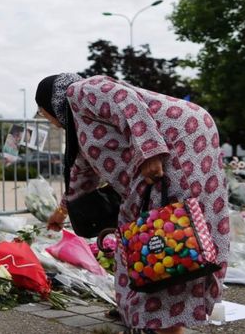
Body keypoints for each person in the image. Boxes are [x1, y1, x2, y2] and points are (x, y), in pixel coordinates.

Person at [36, 74, 229, 334]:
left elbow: (124, 100)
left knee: (171, 235)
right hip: (173, 143)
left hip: (178, 141)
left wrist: (150, 151)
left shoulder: (80, 91)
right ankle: (150, 315)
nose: (47, 119)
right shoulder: (80, 124)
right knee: (157, 237)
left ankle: (162, 322)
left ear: (50, 104)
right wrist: (61, 211)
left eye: (42, 113)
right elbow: (81, 175)